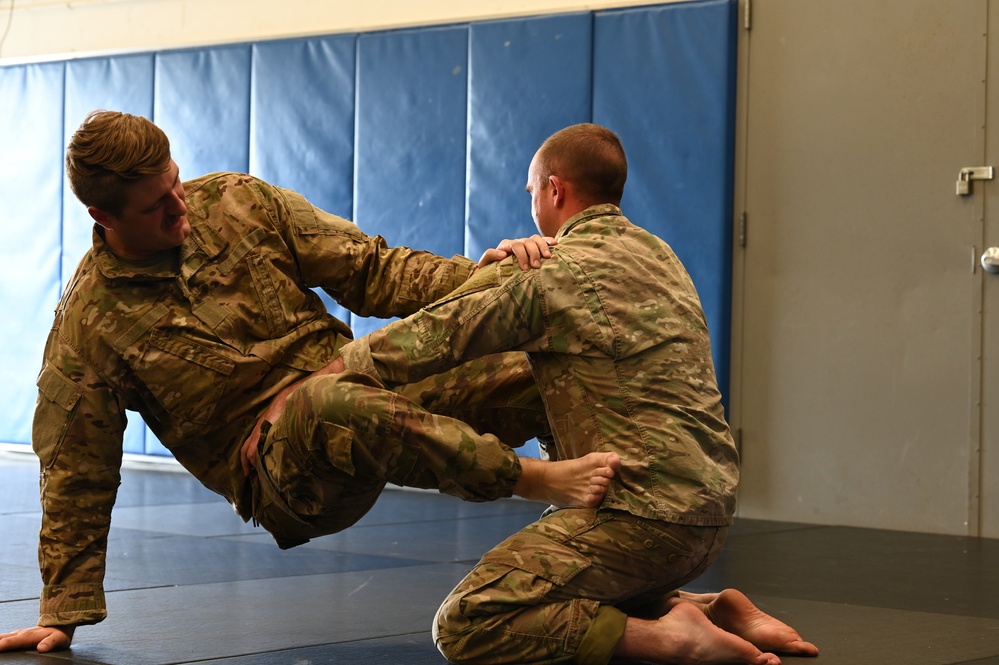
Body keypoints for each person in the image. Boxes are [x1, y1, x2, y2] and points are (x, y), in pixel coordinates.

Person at [0, 110, 619, 654]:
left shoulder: (237, 202)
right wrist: (63, 610)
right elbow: (76, 469)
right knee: (328, 401)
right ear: (102, 216)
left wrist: (481, 274)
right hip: (284, 478)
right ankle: (536, 481)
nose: (179, 206)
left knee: (544, 361)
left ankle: (614, 556)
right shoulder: (90, 324)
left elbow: (373, 271)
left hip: (366, 392)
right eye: (156, 204)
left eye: (176, 183)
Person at [312, 123, 819, 664]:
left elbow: (421, 342)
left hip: (638, 521)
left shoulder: (552, 271)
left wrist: (309, 385)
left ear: (555, 190)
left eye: (532, 192)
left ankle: (672, 638)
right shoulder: (660, 257)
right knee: (578, 576)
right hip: (710, 516)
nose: (531, 203)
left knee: (467, 622)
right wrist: (496, 269)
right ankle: (710, 606)